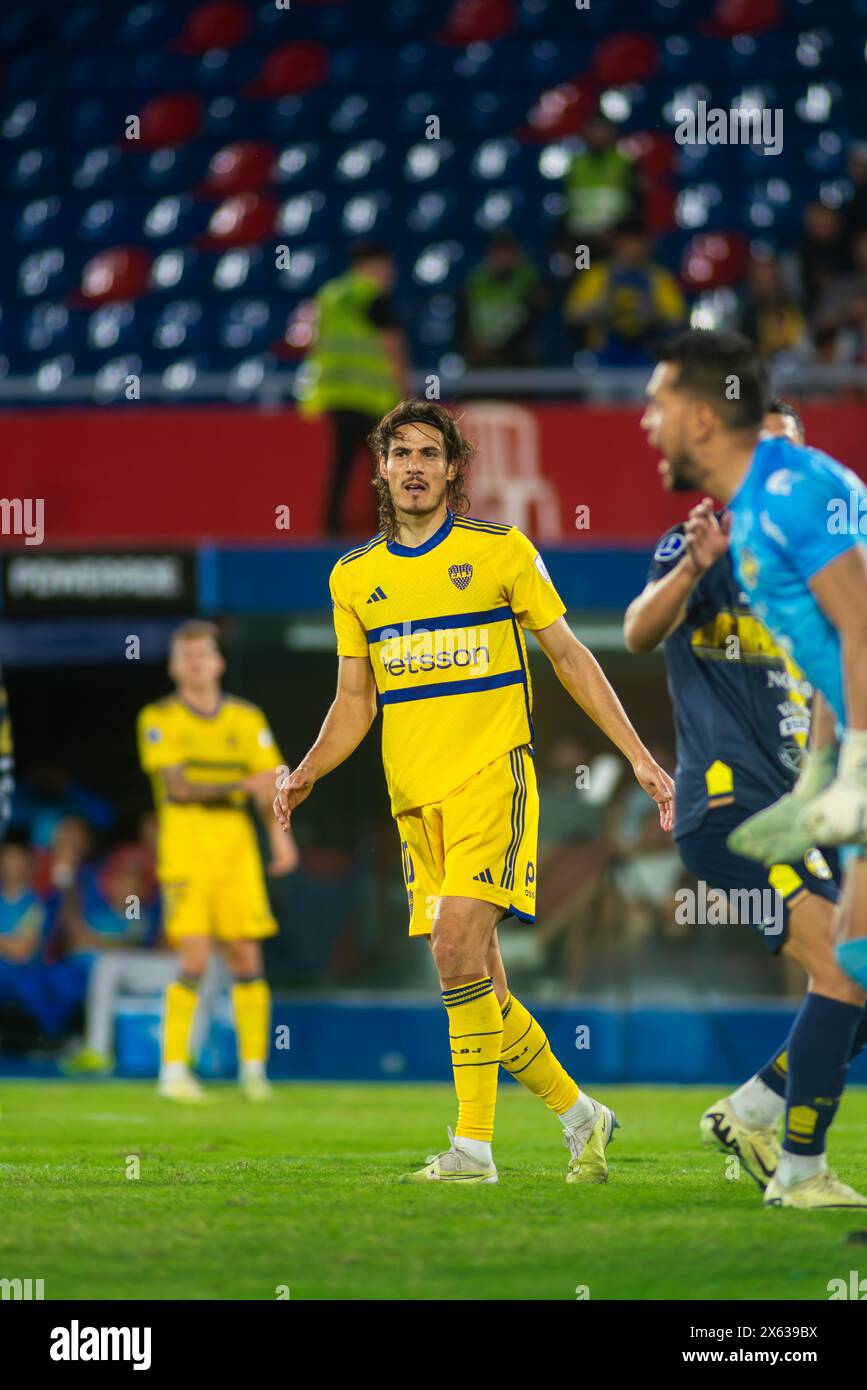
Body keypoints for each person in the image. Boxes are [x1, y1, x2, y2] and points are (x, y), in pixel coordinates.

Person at [273, 398, 674, 1185]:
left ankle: (473, 1151)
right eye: (400, 454)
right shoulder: (353, 576)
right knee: (476, 980)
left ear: (454, 468)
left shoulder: (499, 552)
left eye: (429, 453)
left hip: (493, 779)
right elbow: (355, 702)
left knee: (455, 946)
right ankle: (581, 1117)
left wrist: (634, 755)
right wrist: (308, 769)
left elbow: (568, 657)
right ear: (381, 470)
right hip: (414, 803)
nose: (414, 466)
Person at [641, 328, 867, 1209]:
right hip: (734, 803)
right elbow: (637, 631)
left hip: (818, 790)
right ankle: (797, 1168)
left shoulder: (792, 527)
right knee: (844, 969)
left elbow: (841, 659)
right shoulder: (715, 550)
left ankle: (756, 1108)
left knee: (853, 971)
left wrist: (834, 775)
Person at [137, 620, 298, 1102]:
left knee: (247, 957)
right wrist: (240, 785)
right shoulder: (159, 717)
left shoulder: (247, 718)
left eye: (203, 654)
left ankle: (253, 1071)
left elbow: (269, 782)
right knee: (194, 957)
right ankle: (173, 1071)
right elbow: (177, 787)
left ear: (219, 662)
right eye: (186, 656)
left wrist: (280, 839)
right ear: (173, 666)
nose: (196, 662)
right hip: (186, 855)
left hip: (237, 855)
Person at [296, 240, 412, 535]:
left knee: (342, 463)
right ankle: (383, 527)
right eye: (385, 265)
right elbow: (391, 346)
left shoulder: (329, 295)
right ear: (370, 265)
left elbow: (313, 340)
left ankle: (331, 527)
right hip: (371, 397)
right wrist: (403, 391)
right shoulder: (371, 296)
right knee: (382, 463)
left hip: (336, 393)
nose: (390, 272)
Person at [564, 219, 685, 366]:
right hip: (604, 356)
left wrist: (653, 312)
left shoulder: (658, 277)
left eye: (637, 243)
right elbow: (573, 315)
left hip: (642, 355)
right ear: (616, 244)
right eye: (627, 243)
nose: (632, 249)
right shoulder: (597, 275)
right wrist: (603, 306)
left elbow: (677, 318)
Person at [456, 232, 545, 368]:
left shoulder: (528, 280)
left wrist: (499, 348)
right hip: (479, 356)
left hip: (515, 358)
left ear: (517, 254)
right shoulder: (476, 280)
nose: (503, 258)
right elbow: (463, 317)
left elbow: (529, 322)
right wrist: (473, 345)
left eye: (507, 252)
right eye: (498, 252)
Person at [561, 112, 638, 254]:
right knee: (581, 269)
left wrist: (618, 234)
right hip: (581, 242)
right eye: (593, 130)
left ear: (612, 132)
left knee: (612, 275)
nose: (597, 136)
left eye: (602, 130)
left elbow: (636, 205)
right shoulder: (575, 165)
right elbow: (566, 208)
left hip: (614, 242)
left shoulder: (624, 163)